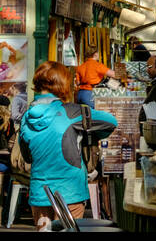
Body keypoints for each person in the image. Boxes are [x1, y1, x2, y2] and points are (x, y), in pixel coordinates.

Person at [18, 60, 118, 231]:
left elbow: (27, 156)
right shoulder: (73, 112)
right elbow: (111, 122)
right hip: (70, 192)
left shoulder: (26, 117)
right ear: (62, 84)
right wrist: (87, 134)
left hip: (40, 192)